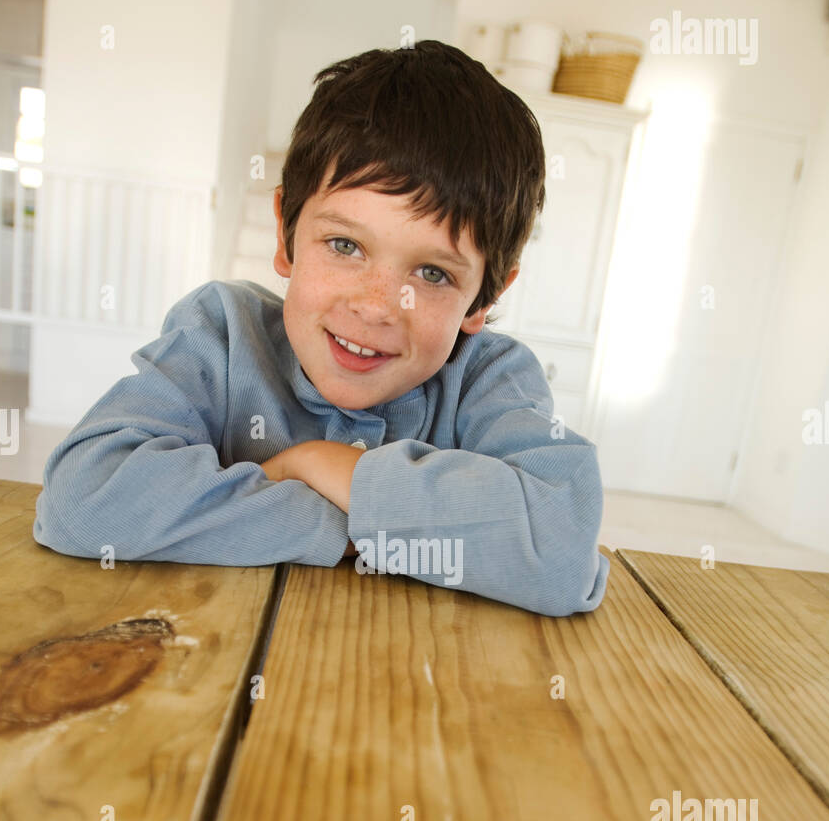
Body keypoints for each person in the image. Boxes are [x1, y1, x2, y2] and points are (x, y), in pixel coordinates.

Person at [33, 40, 610, 616]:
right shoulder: (220, 333)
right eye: (345, 245)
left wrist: (318, 464)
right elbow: (83, 502)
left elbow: (561, 549)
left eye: (432, 272)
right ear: (285, 236)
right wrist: (368, 526)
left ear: (482, 299)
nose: (377, 306)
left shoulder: (491, 377)